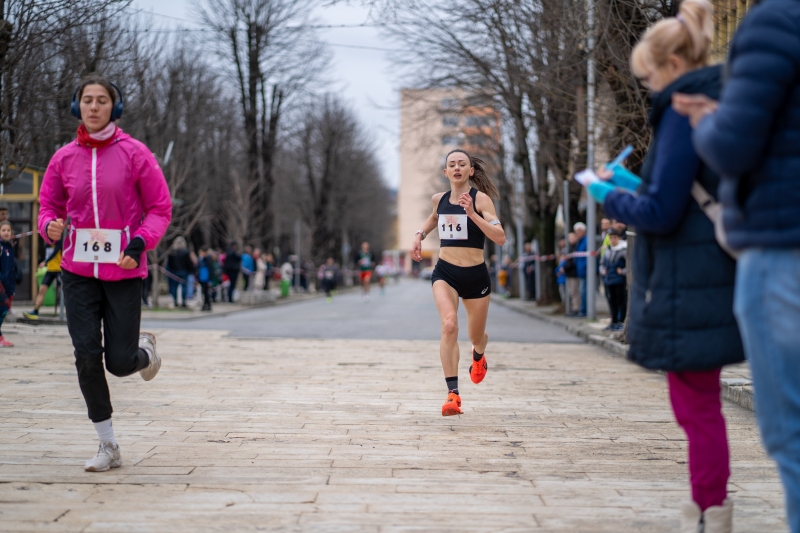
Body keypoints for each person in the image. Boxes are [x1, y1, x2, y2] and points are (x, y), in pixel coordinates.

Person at [587, 3, 743, 528]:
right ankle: (709, 505)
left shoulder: (680, 109)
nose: (650, 89)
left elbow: (661, 210)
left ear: (672, 66)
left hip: (689, 280)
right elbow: (680, 192)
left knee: (696, 407)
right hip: (705, 272)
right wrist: (629, 186)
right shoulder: (713, 99)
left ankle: (707, 510)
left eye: (649, 78)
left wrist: (607, 195)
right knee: (698, 404)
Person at [672, 1, 800, 529]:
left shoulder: (775, 20)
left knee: (792, 435)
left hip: (781, 248)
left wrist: (705, 119)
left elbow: (734, 145)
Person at [38, 75, 171, 472]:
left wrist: (140, 243)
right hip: (77, 271)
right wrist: (50, 227)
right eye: (86, 100)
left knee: (119, 361)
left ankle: (144, 352)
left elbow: (160, 208)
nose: (93, 107)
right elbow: (47, 206)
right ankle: (107, 444)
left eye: (102, 101)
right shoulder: (63, 158)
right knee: (86, 356)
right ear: (76, 106)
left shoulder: (135, 153)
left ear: (116, 107)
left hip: (124, 270)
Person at [410, 149, 505, 417]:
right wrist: (419, 235)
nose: (457, 168)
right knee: (449, 325)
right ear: (446, 172)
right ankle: (453, 394)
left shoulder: (481, 199)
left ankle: (478, 356)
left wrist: (472, 214)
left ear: (470, 171)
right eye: (452, 164)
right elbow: (433, 217)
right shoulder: (438, 200)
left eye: (462, 164)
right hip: (446, 272)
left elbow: (500, 237)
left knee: (476, 336)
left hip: (476, 276)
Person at [23, 239, 62, 319]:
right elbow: (45, 254)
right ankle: (35, 311)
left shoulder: (59, 241)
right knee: (42, 289)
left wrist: (45, 261)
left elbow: (55, 252)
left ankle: (69, 311)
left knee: (63, 290)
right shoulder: (47, 242)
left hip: (59, 270)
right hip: (50, 270)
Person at [599, 229, 627, 331]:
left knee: (621, 301)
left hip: (619, 280)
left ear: (619, 238)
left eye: (615, 238)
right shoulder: (607, 250)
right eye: (611, 238)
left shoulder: (623, 250)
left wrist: (623, 271)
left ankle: (621, 321)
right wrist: (602, 270)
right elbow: (602, 263)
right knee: (612, 301)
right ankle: (614, 321)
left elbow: (629, 265)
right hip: (609, 279)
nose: (613, 240)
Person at [0, 221, 17, 346]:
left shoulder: (9, 247)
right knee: (3, 309)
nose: (6, 232)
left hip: (9, 285)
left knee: (5, 311)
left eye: (8, 230)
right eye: (3, 230)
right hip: (1, 284)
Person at [166, 237, 193, 308]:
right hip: (184, 271)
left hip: (174, 271)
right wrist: (190, 270)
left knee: (174, 287)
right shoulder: (186, 252)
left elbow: (169, 264)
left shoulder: (172, 252)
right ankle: (184, 301)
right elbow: (188, 263)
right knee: (184, 287)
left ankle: (175, 301)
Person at [563, 232, 580, 316]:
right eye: (569, 238)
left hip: (574, 273)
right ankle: (573, 308)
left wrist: (565, 268)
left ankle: (576, 309)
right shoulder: (571, 248)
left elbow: (573, 262)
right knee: (571, 292)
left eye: (572, 237)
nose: (570, 239)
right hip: (570, 273)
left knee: (574, 291)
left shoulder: (576, 248)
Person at [572, 222, 588, 317]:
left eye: (578, 231)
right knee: (581, 290)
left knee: (583, 290)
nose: (576, 233)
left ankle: (584, 310)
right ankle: (583, 309)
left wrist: (584, 267)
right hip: (580, 270)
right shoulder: (580, 241)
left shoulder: (586, 241)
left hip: (585, 270)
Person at [197, 246, 214, 311]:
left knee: (206, 293)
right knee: (204, 292)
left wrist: (210, 279)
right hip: (202, 278)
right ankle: (206, 304)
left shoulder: (208, 259)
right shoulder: (201, 259)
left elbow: (210, 270)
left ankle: (206, 305)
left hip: (206, 278)